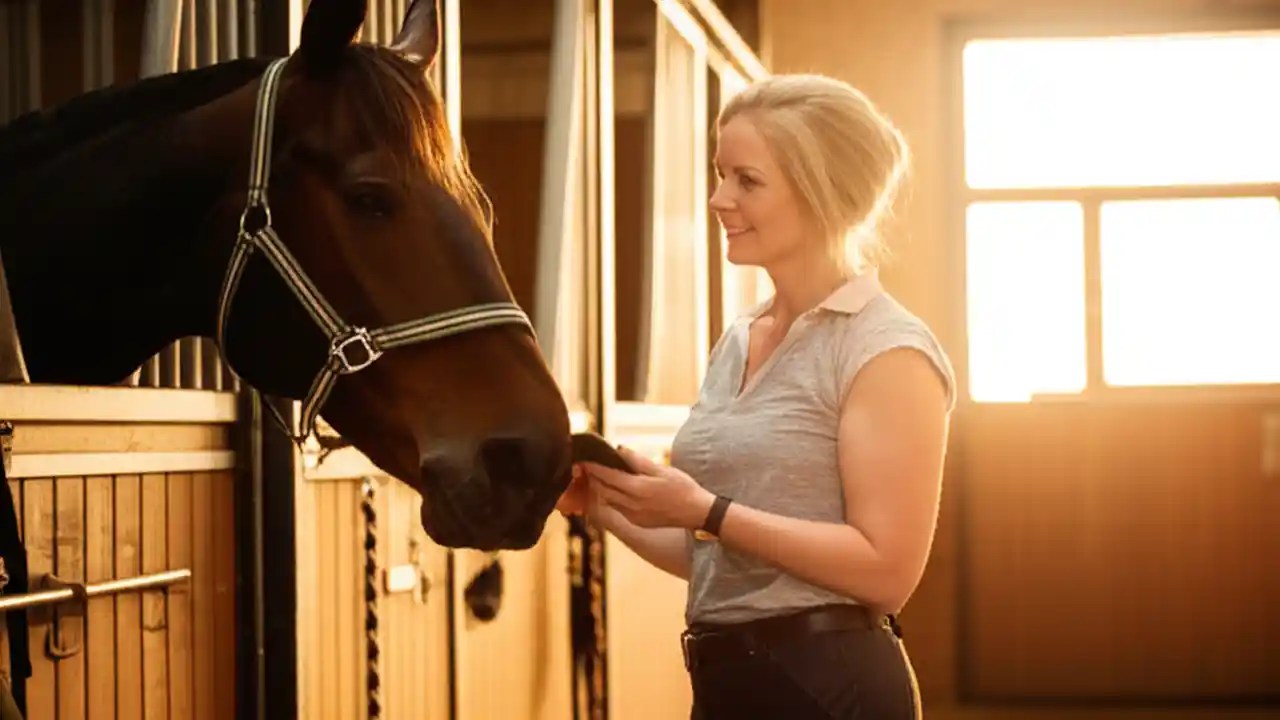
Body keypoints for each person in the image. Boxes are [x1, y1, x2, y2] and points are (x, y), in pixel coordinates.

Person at [559, 72, 955, 719]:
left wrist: (707, 509)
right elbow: (718, 564)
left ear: (821, 191)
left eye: (747, 179)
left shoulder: (888, 351)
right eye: (720, 174)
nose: (717, 198)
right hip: (729, 683)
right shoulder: (739, 338)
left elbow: (888, 572)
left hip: (830, 689)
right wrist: (604, 507)